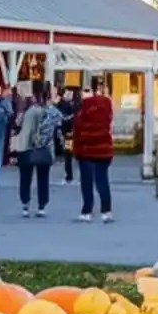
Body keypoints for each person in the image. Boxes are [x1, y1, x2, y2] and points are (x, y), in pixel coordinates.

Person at [13, 81, 61, 218]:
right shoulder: (52, 111)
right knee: (43, 177)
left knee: (25, 177)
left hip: (26, 147)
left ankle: (25, 203)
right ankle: (42, 205)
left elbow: (17, 123)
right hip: (45, 148)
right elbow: (60, 123)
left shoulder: (28, 110)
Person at [72, 78, 114, 223]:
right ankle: (106, 210)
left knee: (87, 182)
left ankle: (87, 210)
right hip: (104, 149)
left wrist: (76, 151)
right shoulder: (107, 105)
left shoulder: (83, 109)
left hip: (87, 150)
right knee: (102, 179)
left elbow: (77, 130)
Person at [56, 87, 79, 185]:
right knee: (68, 156)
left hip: (74, 133)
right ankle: (69, 176)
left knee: (76, 155)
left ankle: (73, 176)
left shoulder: (75, 105)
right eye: (67, 93)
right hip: (67, 135)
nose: (70, 95)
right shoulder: (61, 105)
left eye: (71, 93)